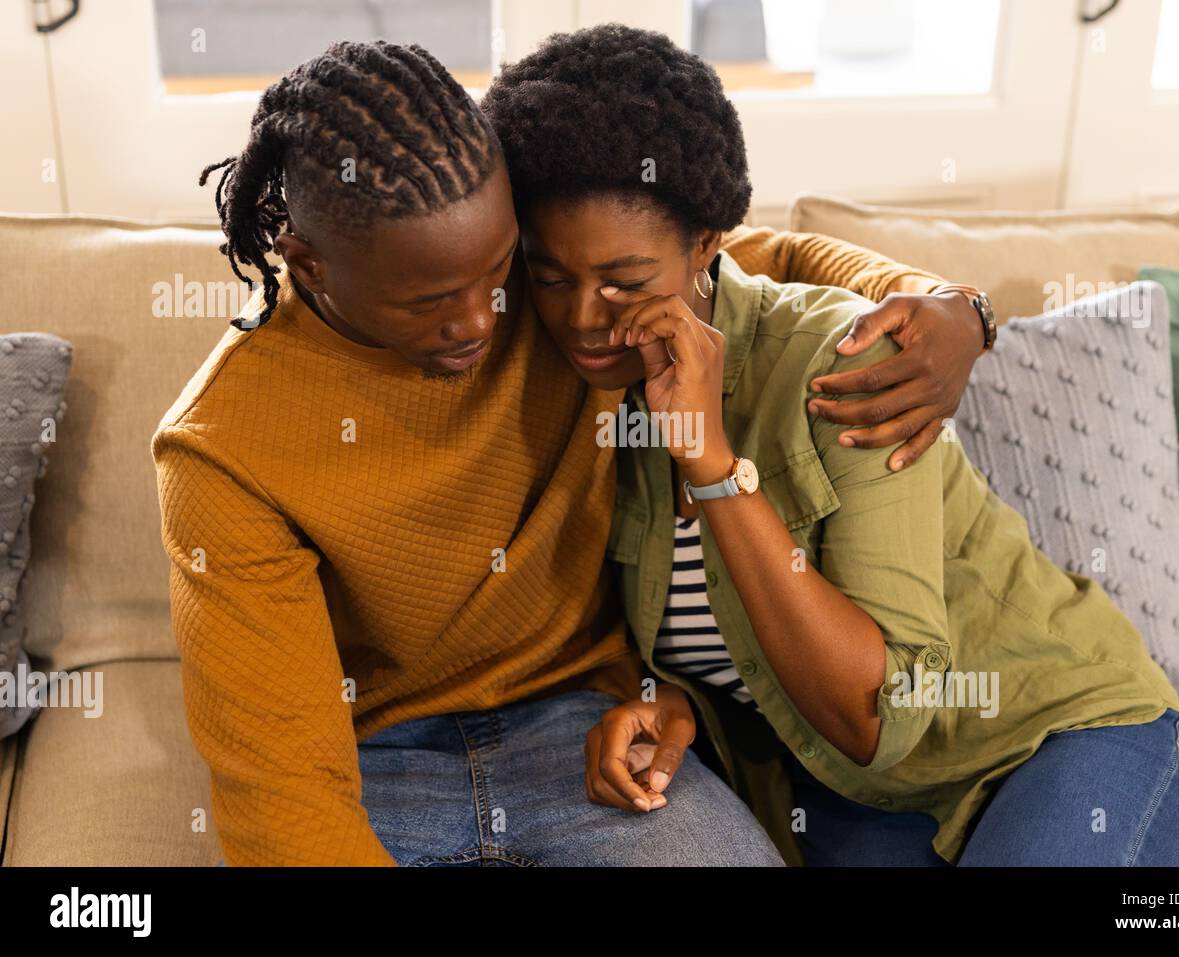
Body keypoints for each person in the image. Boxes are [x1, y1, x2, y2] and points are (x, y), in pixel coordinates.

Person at [154, 39, 990, 865]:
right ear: (309, 262)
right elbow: (286, 800)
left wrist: (949, 307)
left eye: (497, 273)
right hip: (373, 760)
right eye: (434, 302)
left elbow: (755, 264)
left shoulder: (560, 287)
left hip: (587, 728)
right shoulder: (221, 448)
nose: (482, 322)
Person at [481, 24, 1179, 866]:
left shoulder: (844, 367)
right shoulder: (584, 387)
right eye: (549, 276)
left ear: (707, 247)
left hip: (1058, 736)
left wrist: (713, 465)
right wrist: (666, 702)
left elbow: (881, 715)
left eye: (625, 282)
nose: (580, 316)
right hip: (849, 796)